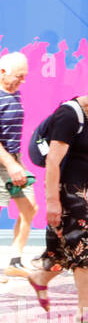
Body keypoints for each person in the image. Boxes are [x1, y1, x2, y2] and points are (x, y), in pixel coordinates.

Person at [26, 76, 88, 323]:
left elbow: (83, 152)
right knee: (87, 245)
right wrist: (52, 202)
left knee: (65, 248)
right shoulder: (69, 115)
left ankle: (40, 279)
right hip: (68, 192)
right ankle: (86, 309)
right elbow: (53, 162)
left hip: (86, 191)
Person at [0, 52, 36, 276]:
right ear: (3, 72)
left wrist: (16, 163)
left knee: (29, 209)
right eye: (19, 76)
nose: (23, 81)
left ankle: (14, 261)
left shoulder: (15, 94)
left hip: (15, 160)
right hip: (5, 163)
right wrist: (11, 166)